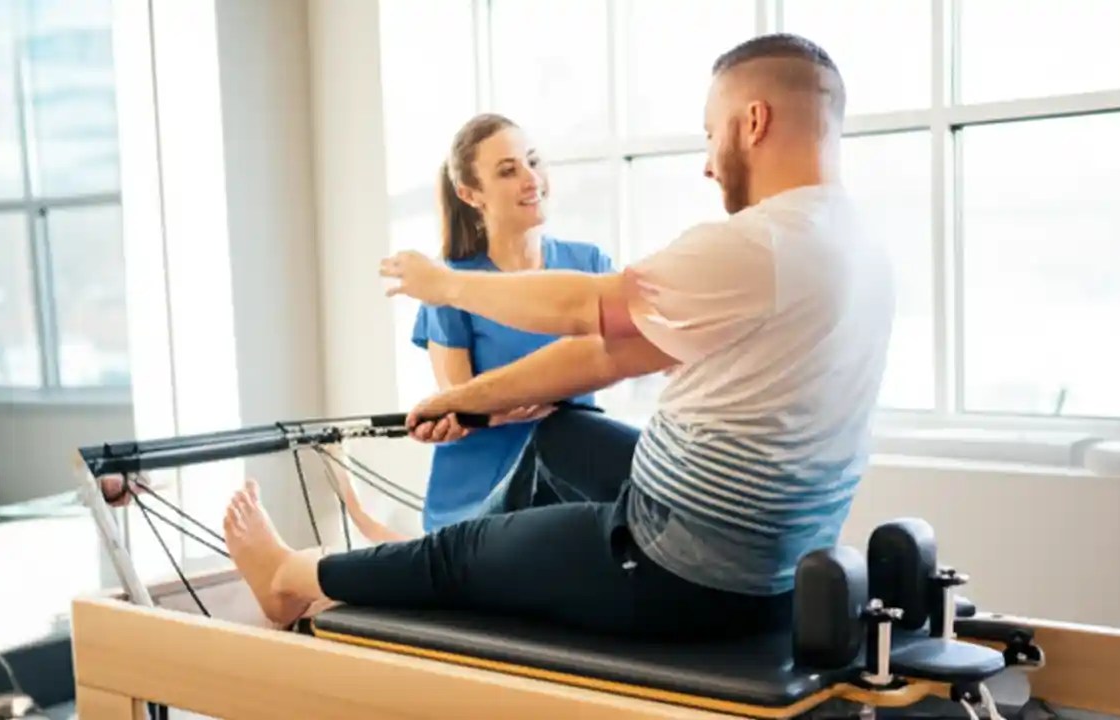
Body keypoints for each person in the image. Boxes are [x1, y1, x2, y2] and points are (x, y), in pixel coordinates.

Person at [223, 32, 895, 640]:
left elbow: (586, 309)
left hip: (678, 563)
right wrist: (472, 397)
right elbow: (615, 352)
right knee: (559, 436)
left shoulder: (765, 244)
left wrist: (446, 284)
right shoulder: (854, 242)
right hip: (766, 555)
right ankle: (478, 554)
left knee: (461, 555)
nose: (708, 164)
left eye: (711, 133)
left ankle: (289, 580)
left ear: (754, 121)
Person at [338, 112, 615, 539]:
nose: (531, 178)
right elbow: (465, 403)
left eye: (533, 161)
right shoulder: (447, 285)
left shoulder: (590, 265)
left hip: (571, 478)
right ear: (470, 194)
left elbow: (618, 354)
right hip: (478, 491)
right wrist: (506, 403)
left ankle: (381, 546)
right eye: (507, 171)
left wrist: (514, 398)